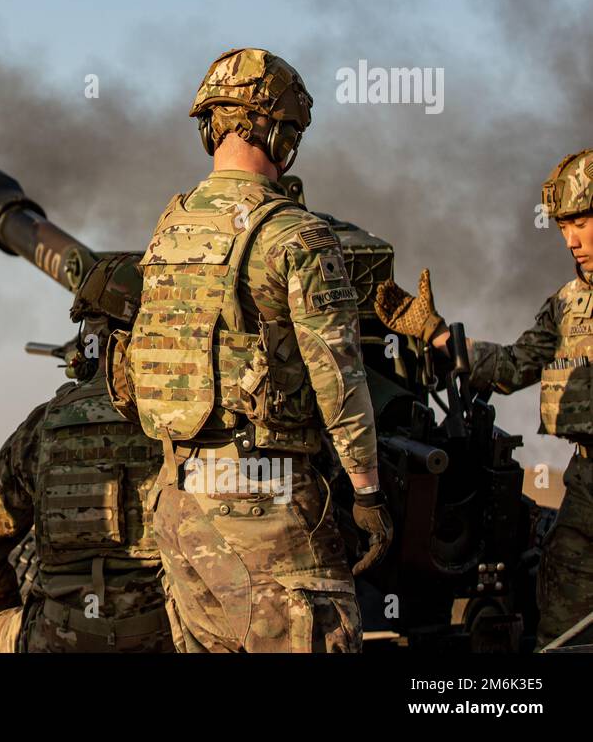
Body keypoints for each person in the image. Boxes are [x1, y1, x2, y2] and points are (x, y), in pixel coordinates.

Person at [110, 47, 393, 653]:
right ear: (276, 130)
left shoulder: (170, 227)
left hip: (181, 509)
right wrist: (367, 494)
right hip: (267, 511)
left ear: (212, 125)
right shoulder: (296, 234)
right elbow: (338, 380)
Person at [376, 148, 593, 647]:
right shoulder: (569, 302)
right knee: (563, 612)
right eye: (562, 226)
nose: (570, 239)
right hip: (586, 482)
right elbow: (515, 365)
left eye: (580, 221)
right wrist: (436, 335)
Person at [0, 254, 175, 652]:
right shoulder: (189, 424)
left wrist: (8, 614)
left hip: (60, 636)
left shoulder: (45, 427)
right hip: (164, 637)